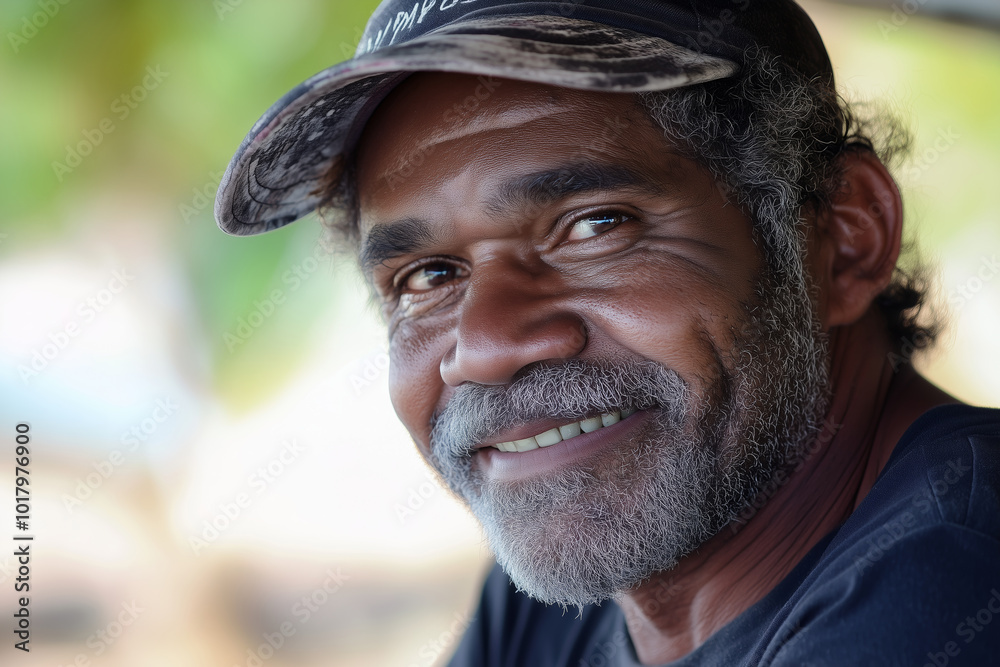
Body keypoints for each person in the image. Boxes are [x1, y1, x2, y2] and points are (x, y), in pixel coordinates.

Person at [215, 1, 1000, 664]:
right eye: (428, 276)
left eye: (595, 225)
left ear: (844, 236)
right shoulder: (572, 590)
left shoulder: (954, 583)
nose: (485, 347)